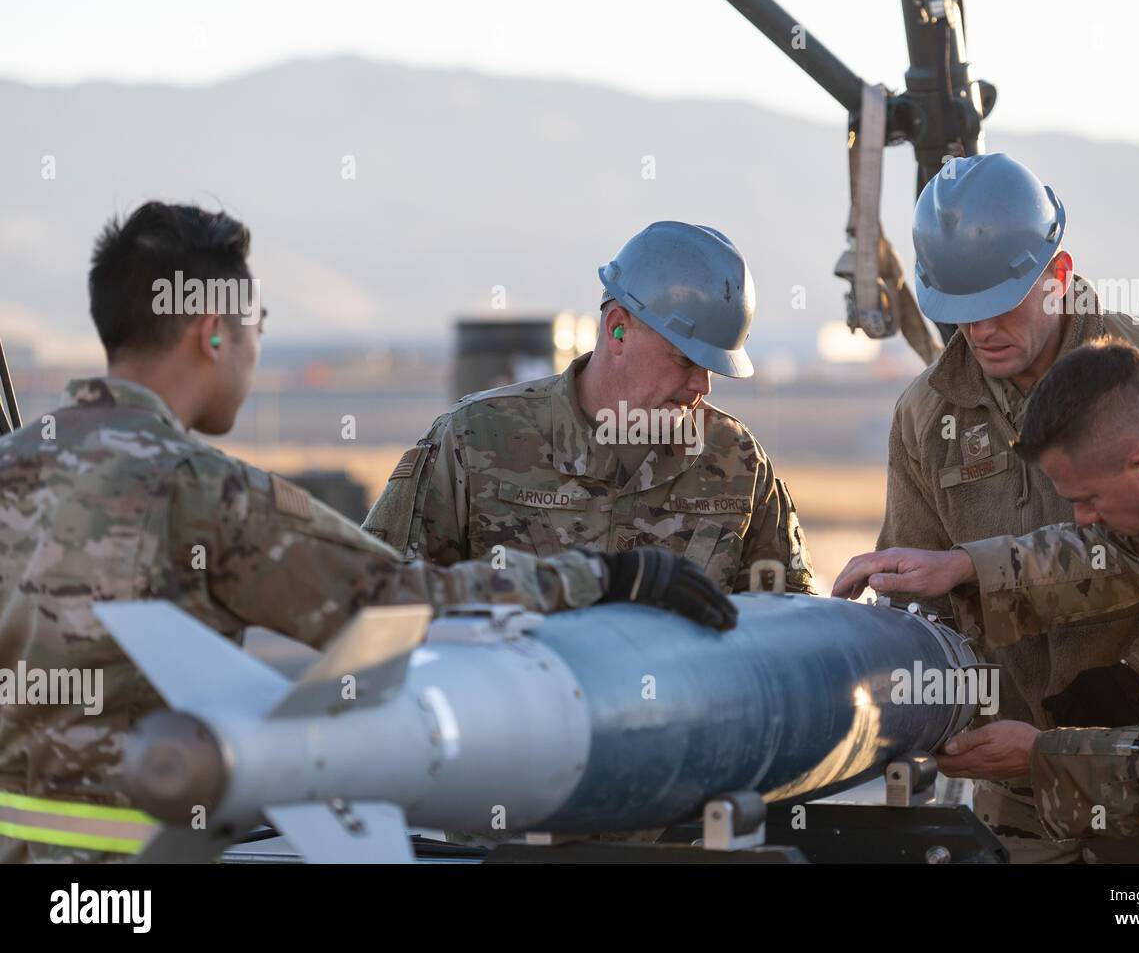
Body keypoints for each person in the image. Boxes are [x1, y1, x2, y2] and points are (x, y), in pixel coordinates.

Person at [0, 203, 734, 863]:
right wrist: (608, 578)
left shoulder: (11, 465)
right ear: (211, 333)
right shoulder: (203, 492)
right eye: (256, 330)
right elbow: (399, 605)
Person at [833, 153, 1139, 862]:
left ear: (1057, 274)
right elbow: (927, 600)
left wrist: (1138, 679)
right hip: (1018, 787)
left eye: (1001, 303)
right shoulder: (927, 417)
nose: (981, 329)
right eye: (959, 312)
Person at [838, 338, 1139, 862]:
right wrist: (966, 566)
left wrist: (1038, 758)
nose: (1081, 519)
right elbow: (1128, 546)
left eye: (1087, 500)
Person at [364, 221, 815, 595]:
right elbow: (379, 595)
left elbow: (787, 624)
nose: (702, 386)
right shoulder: (474, 441)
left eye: (714, 367)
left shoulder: (736, 462)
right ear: (618, 329)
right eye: (686, 361)